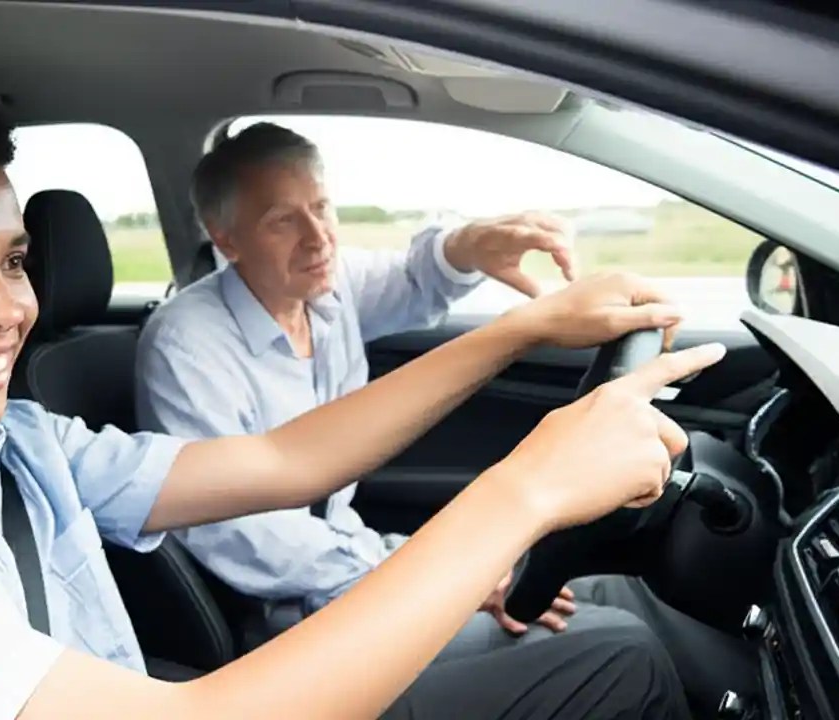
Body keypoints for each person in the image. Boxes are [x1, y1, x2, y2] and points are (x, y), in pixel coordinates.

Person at [0, 76, 712, 720]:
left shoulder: (18, 445)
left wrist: (523, 328)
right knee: (615, 668)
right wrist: (521, 495)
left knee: (613, 642)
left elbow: (282, 464)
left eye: (13, 261)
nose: (6, 309)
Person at [134, 121, 756, 711]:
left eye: (320, 208)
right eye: (281, 221)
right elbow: (241, 534)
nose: (318, 237)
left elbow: (416, 274)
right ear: (226, 240)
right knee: (625, 654)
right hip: (298, 627)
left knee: (617, 591)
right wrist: (444, 572)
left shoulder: (326, 290)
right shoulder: (187, 344)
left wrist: (471, 244)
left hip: (364, 565)